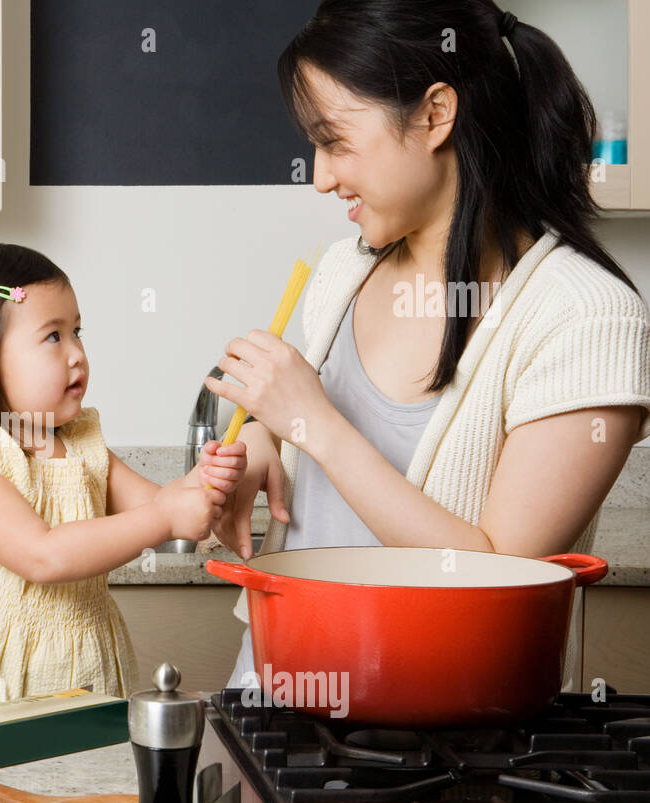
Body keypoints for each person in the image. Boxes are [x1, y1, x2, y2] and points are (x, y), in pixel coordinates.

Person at [199, 0, 650, 690]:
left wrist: (313, 423)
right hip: (270, 698)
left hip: (446, 745)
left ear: (437, 114)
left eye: (336, 141)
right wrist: (263, 446)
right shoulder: (342, 272)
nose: (319, 176)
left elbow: (497, 576)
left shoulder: (588, 318)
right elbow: (305, 445)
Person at [0, 243, 248, 705]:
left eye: (78, 332)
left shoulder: (81, 441)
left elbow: (157, 507)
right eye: (53, 336)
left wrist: (206, 483)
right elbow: (42, 556)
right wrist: (169, 516)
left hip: (92, 675)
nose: (77, 355)